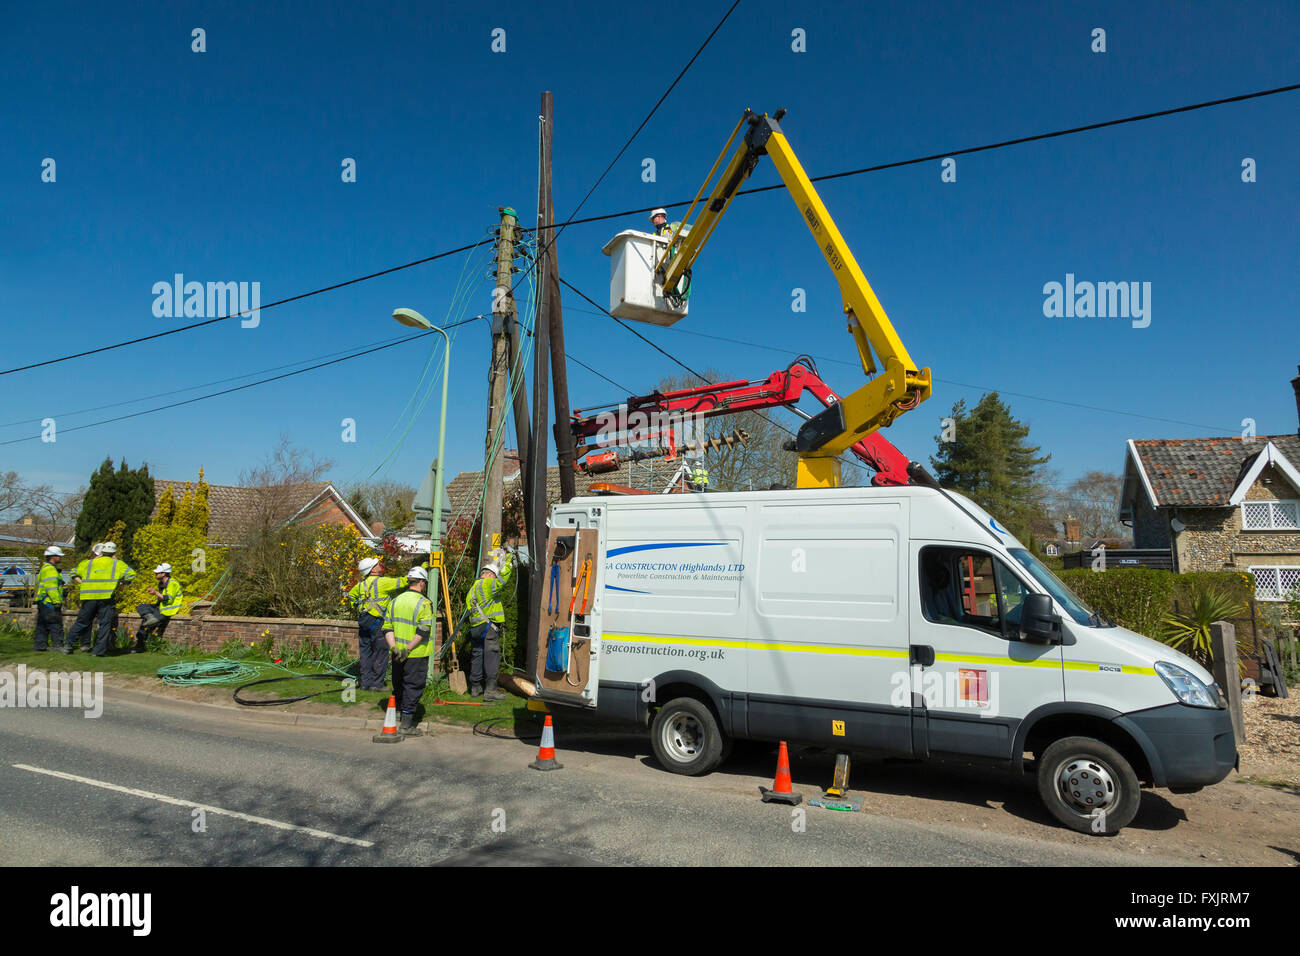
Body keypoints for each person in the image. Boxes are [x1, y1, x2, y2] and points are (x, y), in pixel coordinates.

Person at [383, 565, 435, 736]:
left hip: (397, 653)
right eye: (424, 583)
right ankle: (406, 725)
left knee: (399, 684)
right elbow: (423, 630)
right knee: (413, 686)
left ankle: (397, 713)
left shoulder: (395, 601)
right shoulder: (424, 603)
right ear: (421, 582)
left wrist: (394, 648)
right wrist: (408, 649)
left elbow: (387, 627)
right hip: (416, 653)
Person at [67, 542, 136, 656]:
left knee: (82, 622)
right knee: (105, 624)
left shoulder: (88, 563)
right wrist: (121, 583)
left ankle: (68, 645)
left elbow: (73, 572)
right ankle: (98, 651)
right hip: (106, 598)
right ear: (114, 552)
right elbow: (131, 574)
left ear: (102, 551)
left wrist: (83, 583)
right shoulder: (117, 564)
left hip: (88, 597)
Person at [464, 548, 515, 701]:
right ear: (490, 575)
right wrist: (508, 559)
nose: (494, 578)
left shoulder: (472, 589)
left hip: (476, 628)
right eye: (493, 575)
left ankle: (475, 687)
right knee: (492, 656)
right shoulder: (487, 584)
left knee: (477, 655)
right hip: (489, 628)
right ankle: (490, 691)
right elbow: (503, 579)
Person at [347, 557, 404, 691]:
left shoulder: (360, 585)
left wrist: (356, 604)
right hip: (378, 623)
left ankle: (365, 683)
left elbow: (350, 596)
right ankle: (377, 684)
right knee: (381, 652)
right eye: (377, 564)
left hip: (364, 621)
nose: (380, 565)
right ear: (373, 569)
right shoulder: (383, 582)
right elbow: (403, 582)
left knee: (365, 652)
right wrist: (420, 571)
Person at [133, 563, 182, 653]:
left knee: (144, 625)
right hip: (159, 608)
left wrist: (155, 593)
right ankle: (150, 618)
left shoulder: (172, 583)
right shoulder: (161, 583)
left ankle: (140, 646)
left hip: (167, 611)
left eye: (157, 573)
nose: (155, 574)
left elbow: (168, 600)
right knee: (141, 607)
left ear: (163, 573)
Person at [33, 546, 67, 653]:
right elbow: (51, 588)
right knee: (55, 624)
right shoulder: (50, 570)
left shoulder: (45, 568)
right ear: (53, 557)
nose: (60, 558)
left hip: (43, 602)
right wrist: (57, 601)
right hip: (50, 602)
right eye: (59, 556)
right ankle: (57, 645)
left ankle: (40, 645)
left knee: (42, 625)